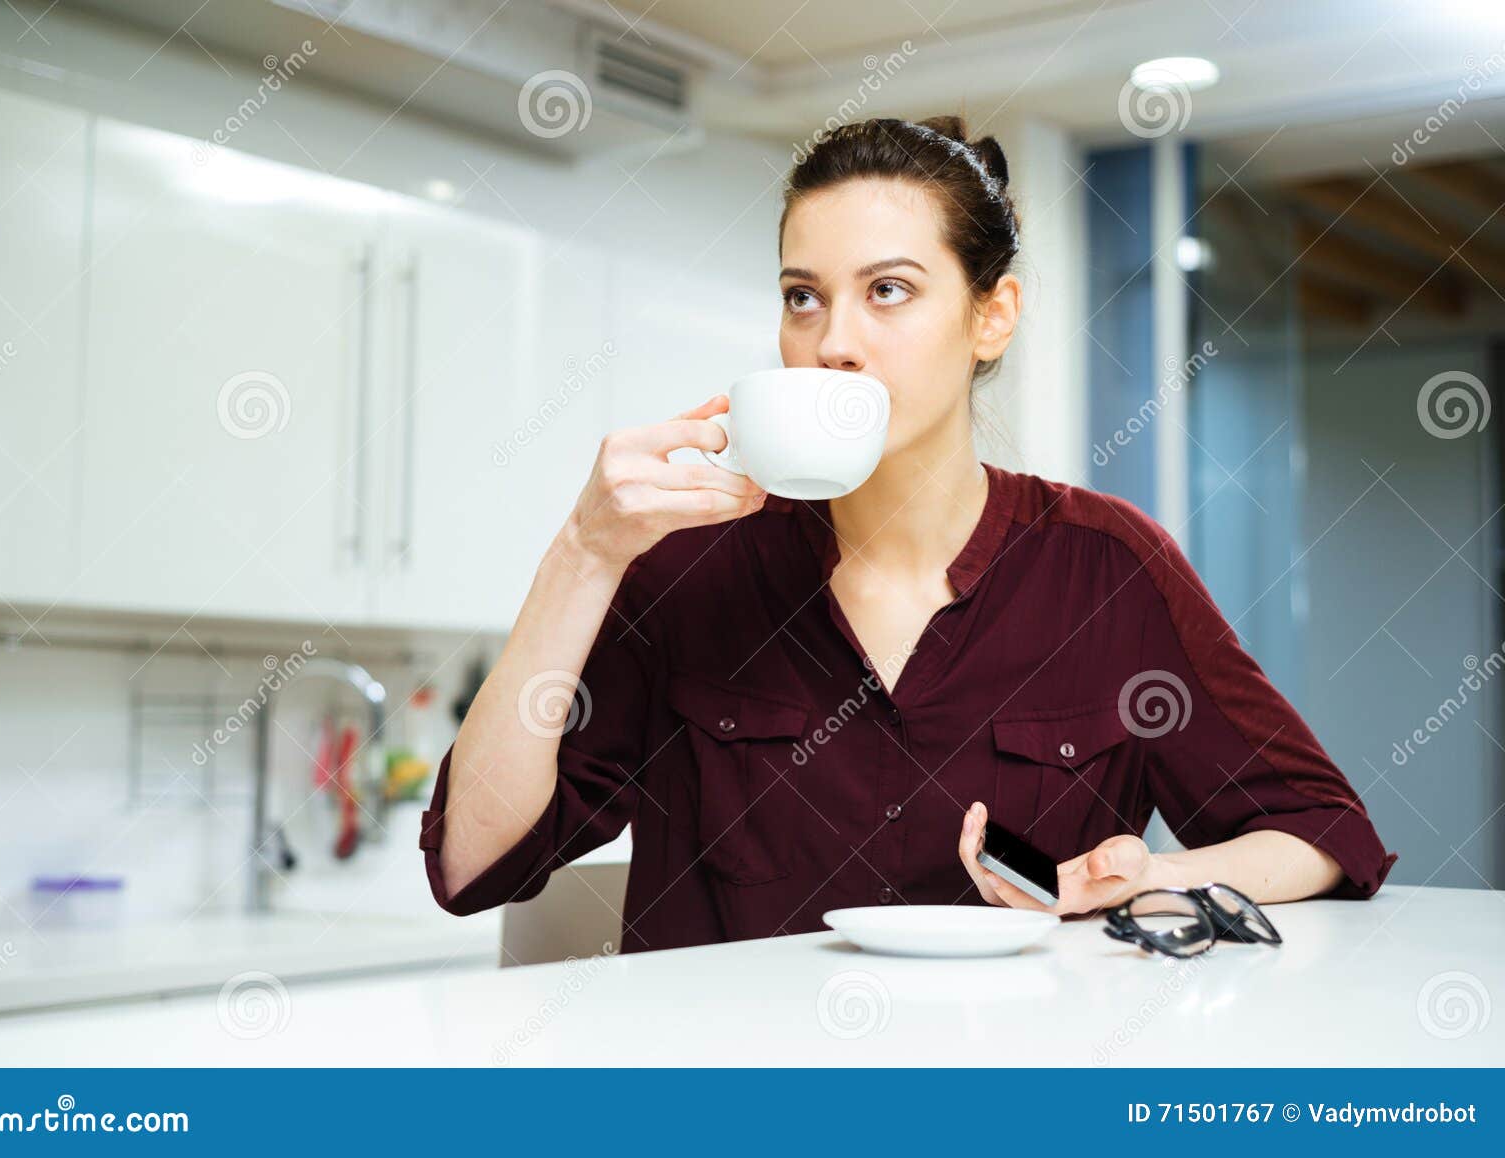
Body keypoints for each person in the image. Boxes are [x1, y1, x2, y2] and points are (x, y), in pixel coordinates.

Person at [417, 114, 1397, 953]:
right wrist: (582, 554)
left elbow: (1323, 829)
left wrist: (1147, 880)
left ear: (991, 315)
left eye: (887, 290)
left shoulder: (1107, 569)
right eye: (803, 296)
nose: (831, 340)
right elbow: (473, 866)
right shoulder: (687, 568)